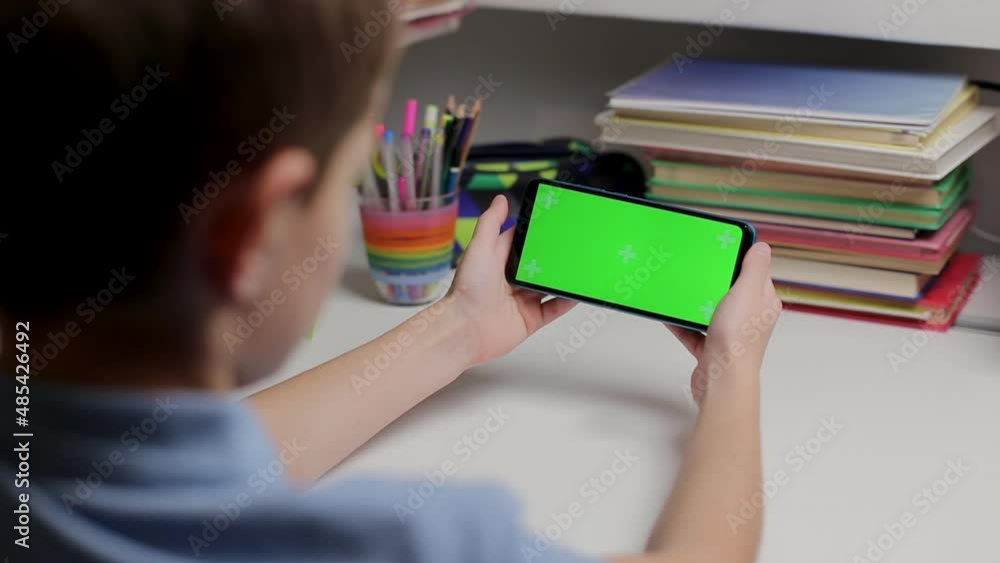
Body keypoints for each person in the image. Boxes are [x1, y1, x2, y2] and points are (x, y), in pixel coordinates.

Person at [0, 1, 781, 562]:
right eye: (347, 181)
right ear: (249, 236)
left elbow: (156, 474)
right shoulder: (413, 540)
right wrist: (732, 376)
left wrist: (456, 328)